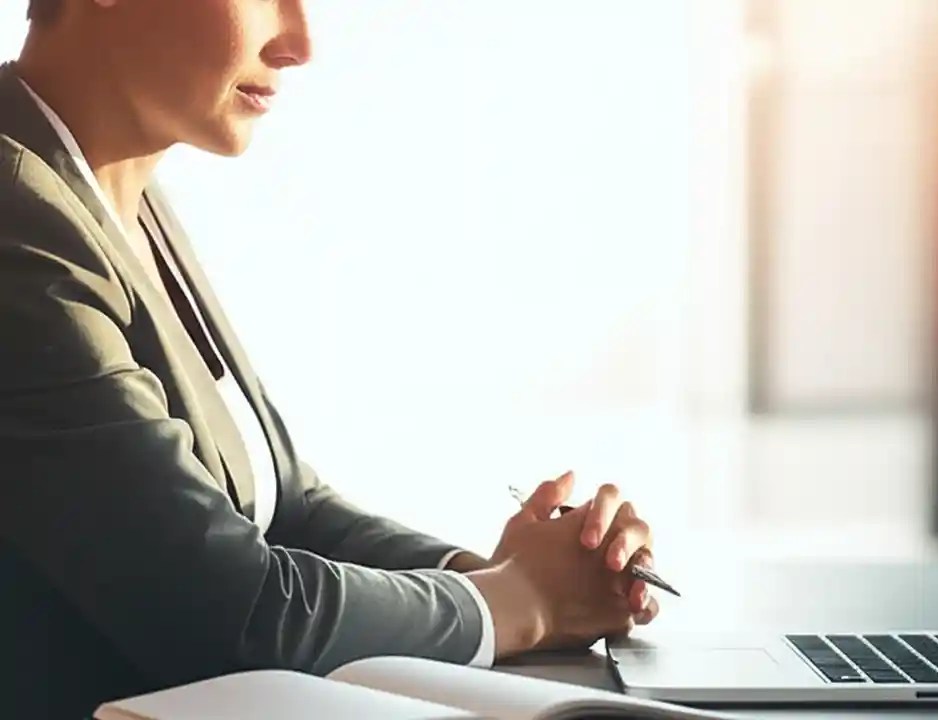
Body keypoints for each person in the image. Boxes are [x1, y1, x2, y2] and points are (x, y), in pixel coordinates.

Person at [0, 1, 662, 717]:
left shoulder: (109, 187)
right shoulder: (18, 214)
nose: (298, 43)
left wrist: (502, 574)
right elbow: (229, 613)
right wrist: (519, 601)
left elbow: (284, 506)